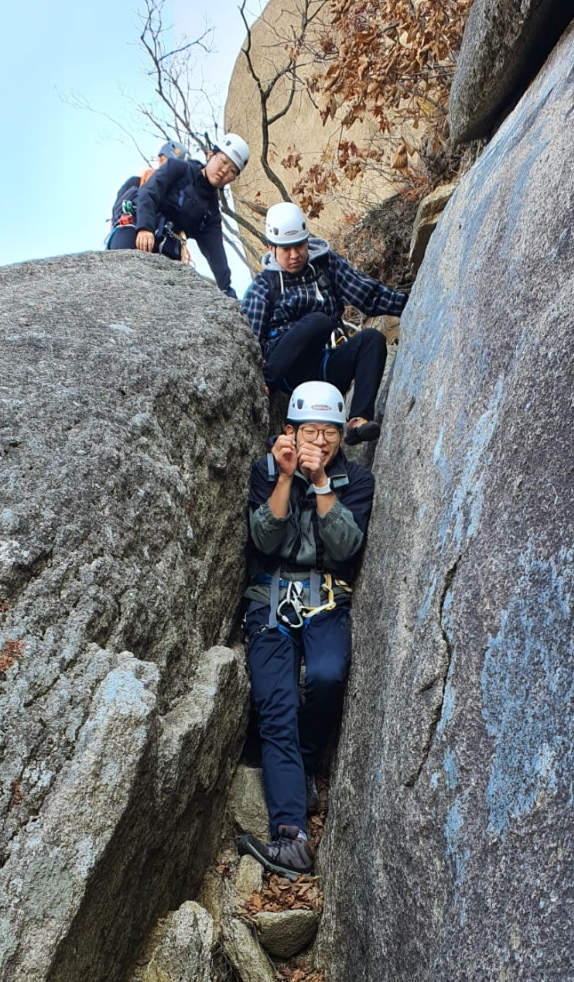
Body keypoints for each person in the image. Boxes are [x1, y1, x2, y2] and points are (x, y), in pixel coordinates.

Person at [238, 380, 375, 878]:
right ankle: (290, 836)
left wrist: (319, 485)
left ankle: (305, 764)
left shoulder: (355, 481)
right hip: (271, 598)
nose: (319, 440)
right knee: (276, 702)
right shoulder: (266, 469)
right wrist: (285, 477)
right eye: (308, 430)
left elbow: (345, 549)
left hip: (326, 596)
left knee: (326, 676)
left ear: (341, 435)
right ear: (290, 431)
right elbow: (262, 536)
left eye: (329, 432)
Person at [241, 201, 408, 445]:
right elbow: (249, 337)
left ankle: (357, 422)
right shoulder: (263, 286)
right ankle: (268, 382)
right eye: (286, 249)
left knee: (371, 339)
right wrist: (256, 382)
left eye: (299, 245)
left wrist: (410, 302)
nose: (295, 254)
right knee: (318, 322)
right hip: (288, 371)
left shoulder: (326, 266)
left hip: (324, 365)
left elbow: (367, 295)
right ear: (271, 248)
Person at [107, 132, 250, 297]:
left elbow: (216, 252)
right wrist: (145, 227)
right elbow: (149, 193)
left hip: (165, 248)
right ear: (211, 155)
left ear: (233, 178)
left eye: (232, 171)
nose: (224, 171)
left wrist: (226, 290)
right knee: (125, 274)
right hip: (136, 229)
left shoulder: (210, 211)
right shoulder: (179, 168)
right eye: (223, 161)